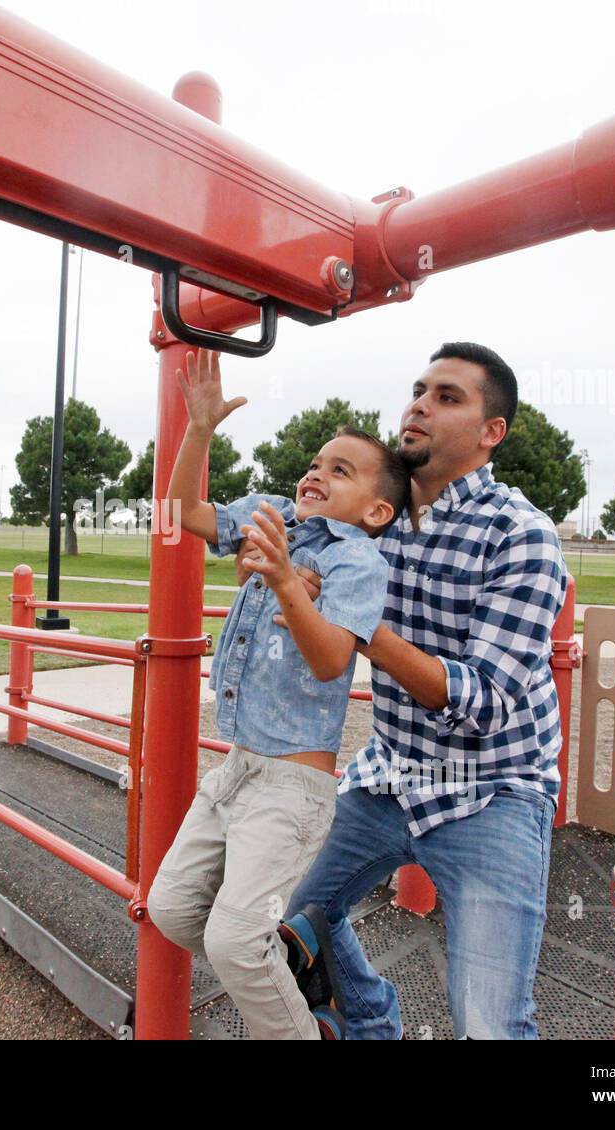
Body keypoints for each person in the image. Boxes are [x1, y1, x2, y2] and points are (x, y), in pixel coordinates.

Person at [264, 342, 568, 1039]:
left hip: (490, 788)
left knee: (490, 1024)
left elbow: (485, 700)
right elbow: (282, 521)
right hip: (388, 772)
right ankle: (372, 1020)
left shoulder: (521, 535)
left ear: (491, 434)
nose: (419, 405)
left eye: (447, 397)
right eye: (419, 389)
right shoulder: (375, 511)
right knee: (274, 907)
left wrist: (354, 619)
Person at [147, 347, 409, 1039]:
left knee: (234, 944)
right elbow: (182, 512)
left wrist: (291, 587)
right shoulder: (271, 516)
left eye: (340, 470)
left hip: (293, 786)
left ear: (377, 510)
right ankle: (294, 960)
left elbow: (330, 665)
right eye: (317, 462)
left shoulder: (357, 561)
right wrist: (199, 429)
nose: (317, 473)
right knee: (173, 911)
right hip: (238, 768)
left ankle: (299, 1019)